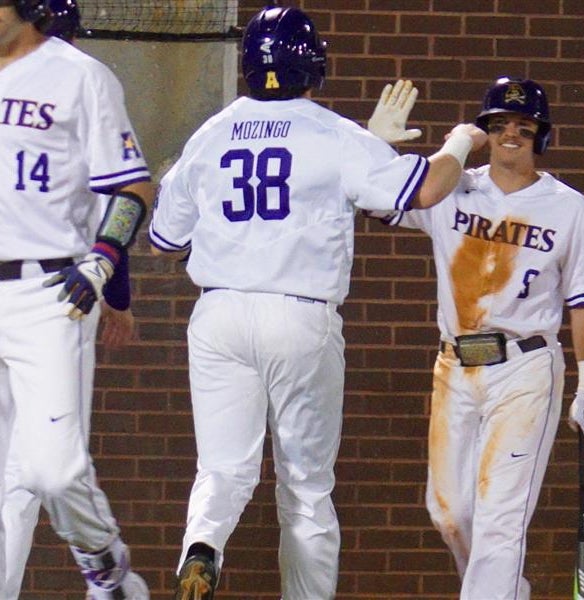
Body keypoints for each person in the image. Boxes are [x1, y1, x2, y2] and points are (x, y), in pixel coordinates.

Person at [148, 5, 486, 600]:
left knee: (222, 468)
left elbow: (164, 241)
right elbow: (428, 188)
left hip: (219, 313)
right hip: (299, 315)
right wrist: (462, 140)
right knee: (305, 487)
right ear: (313, 67)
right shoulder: (333, 132)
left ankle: (202, 545)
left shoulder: (211, 132)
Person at [371, 76, 584, 599]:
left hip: (525, 367)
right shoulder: (451, 187)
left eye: (524, 125)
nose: (511, 135)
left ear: (541, 135)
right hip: (455, 365)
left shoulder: (567, 206)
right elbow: (379, 201)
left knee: (502, 518)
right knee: (450, 514)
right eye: (499, 125)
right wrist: (379, 146)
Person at [0, 0, 154, 597]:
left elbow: (132, 186)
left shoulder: (80, 76)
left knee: (53, 472)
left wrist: (105, 260)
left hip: (48, 292)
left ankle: (105, 565)